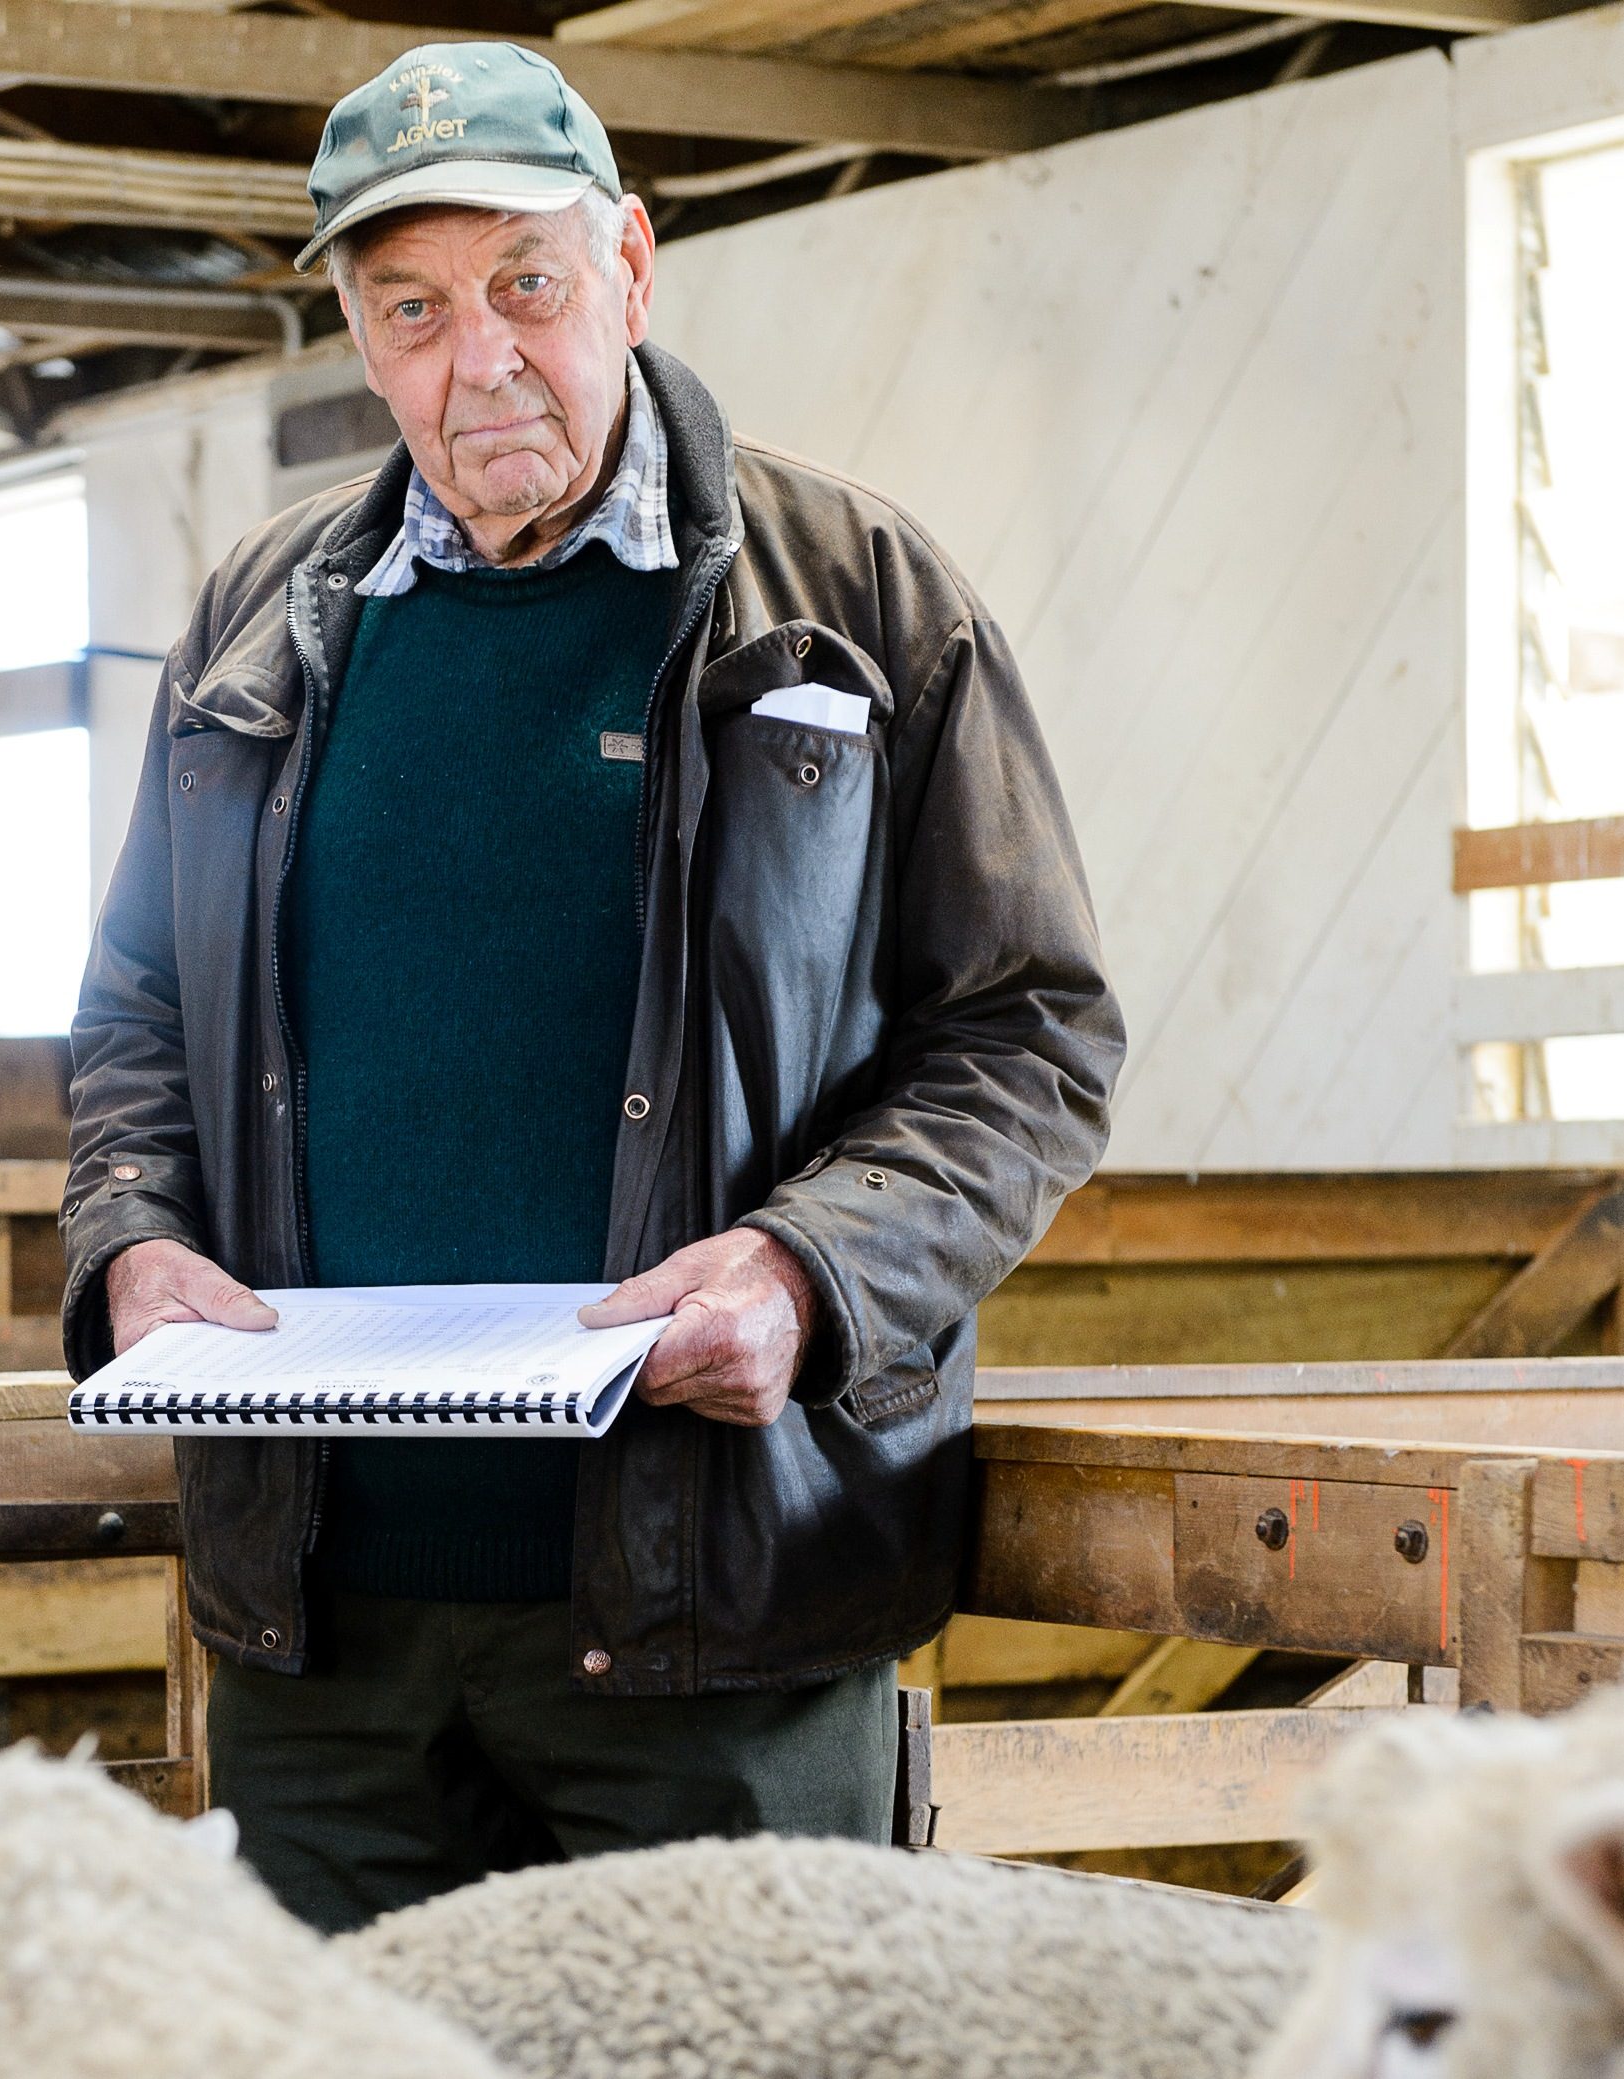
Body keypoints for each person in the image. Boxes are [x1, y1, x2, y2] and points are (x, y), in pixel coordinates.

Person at [61, 39, 1124, 1933]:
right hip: (322, 1628)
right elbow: (137, 1010)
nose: (476, 362)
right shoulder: (250, 632)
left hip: (718, 1611)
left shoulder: (856, 604)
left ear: (631, 264)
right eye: (410, 308)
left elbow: (1029, 1031)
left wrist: (813, 1269)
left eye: (525, 288)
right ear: (358, 334)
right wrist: (132, 1237)